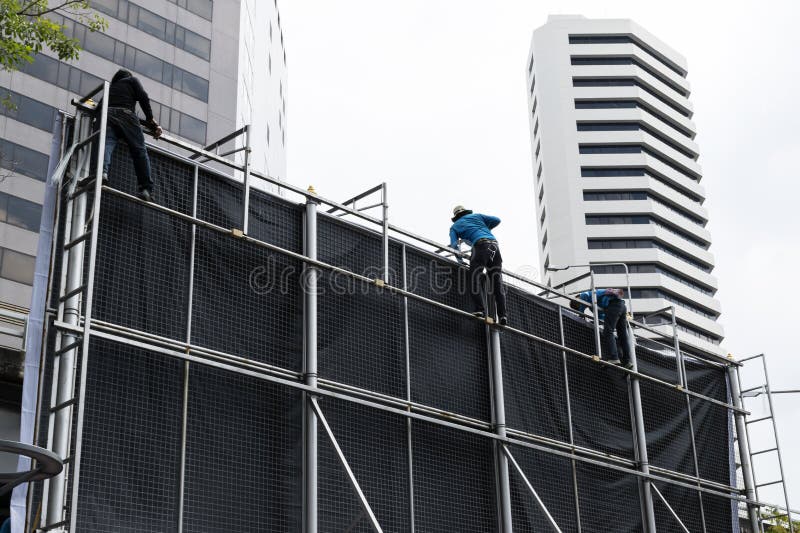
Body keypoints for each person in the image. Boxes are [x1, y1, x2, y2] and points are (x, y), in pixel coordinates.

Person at [101, 69, 162, 201]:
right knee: (139, 151)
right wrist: (151, 119)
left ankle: (102, 173)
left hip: (108, 115)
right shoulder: (131, 81)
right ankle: (146, 188)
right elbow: (143, 97)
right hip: (127, 115)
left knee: (106, 144)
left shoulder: (110, 89)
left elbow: (100, 106)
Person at [449, 205, 507, 325]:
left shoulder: (454, 227)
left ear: (456, 217)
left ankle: (479, 309)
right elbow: (497, 220)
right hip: (494, 246)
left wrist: (459, 260)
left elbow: (454, 246)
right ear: (466, 212)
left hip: (480, 246)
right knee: (497, 282)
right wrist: (486, 228)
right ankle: (502, 316)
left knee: (474, 277)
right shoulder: (477, 216)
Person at [570, 288, 633, 368]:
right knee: (622, 335)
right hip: (622, 306)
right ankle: (627, 362)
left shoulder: (585, 294)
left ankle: (614, 358)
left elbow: (582, 300)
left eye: (577, 306)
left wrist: (580, 313)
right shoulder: (593, 306)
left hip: (613, 305)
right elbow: (601, 316)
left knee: (608, 332)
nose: (579, 306)